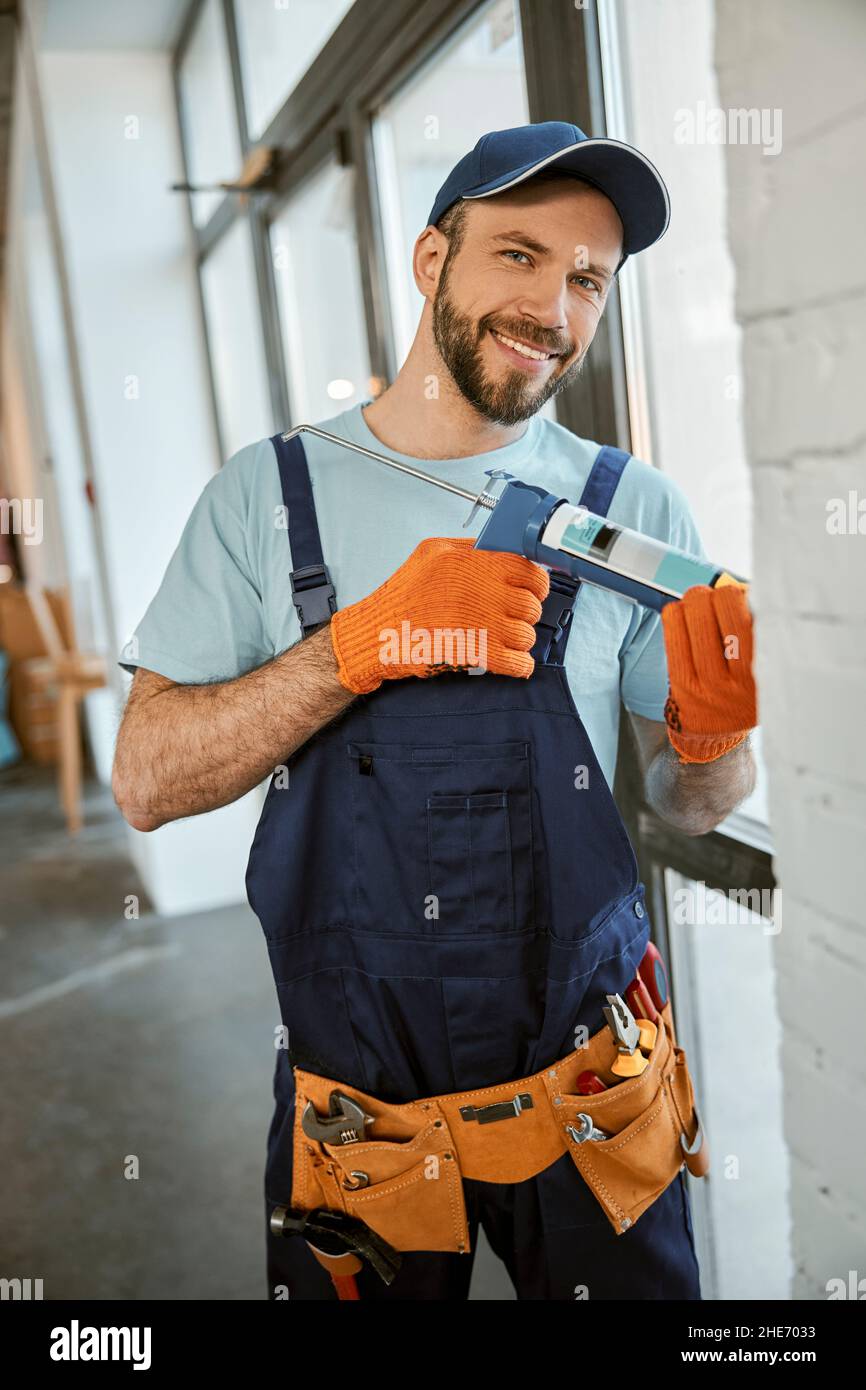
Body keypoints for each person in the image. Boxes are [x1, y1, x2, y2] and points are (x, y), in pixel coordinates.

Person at [112, 121, 757, 1300]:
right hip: (358, 1126)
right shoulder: (269, 494)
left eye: (584, 279)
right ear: (428, 261)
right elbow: (146, 781)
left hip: (590, 1100)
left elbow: (686, 794)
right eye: (516, 255)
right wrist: (351, 649)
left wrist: (715, 743)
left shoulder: (634, 505)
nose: (549, 309)